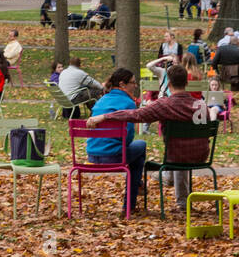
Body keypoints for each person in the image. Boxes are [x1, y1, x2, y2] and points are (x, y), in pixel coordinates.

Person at [87, 63, 210, 214]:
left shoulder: (165, 104)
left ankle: (162, 180)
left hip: (176, 156)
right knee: (182, 147)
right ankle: (169, 184)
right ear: (187, 83)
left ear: (169, 83)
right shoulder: (202, 105)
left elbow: (136, 115)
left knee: (173, 150)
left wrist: (106, 116)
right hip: (202, 155)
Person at [85, 67, 146, 213]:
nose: (135, 86)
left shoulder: (101, 101)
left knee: (137, 153)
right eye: (133, 82)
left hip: (92, 155)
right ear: (122, 84)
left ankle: (137, 187)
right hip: (113, 156)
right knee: (141, 146)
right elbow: (129, 137)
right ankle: (129, 204)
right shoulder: (129, 103)